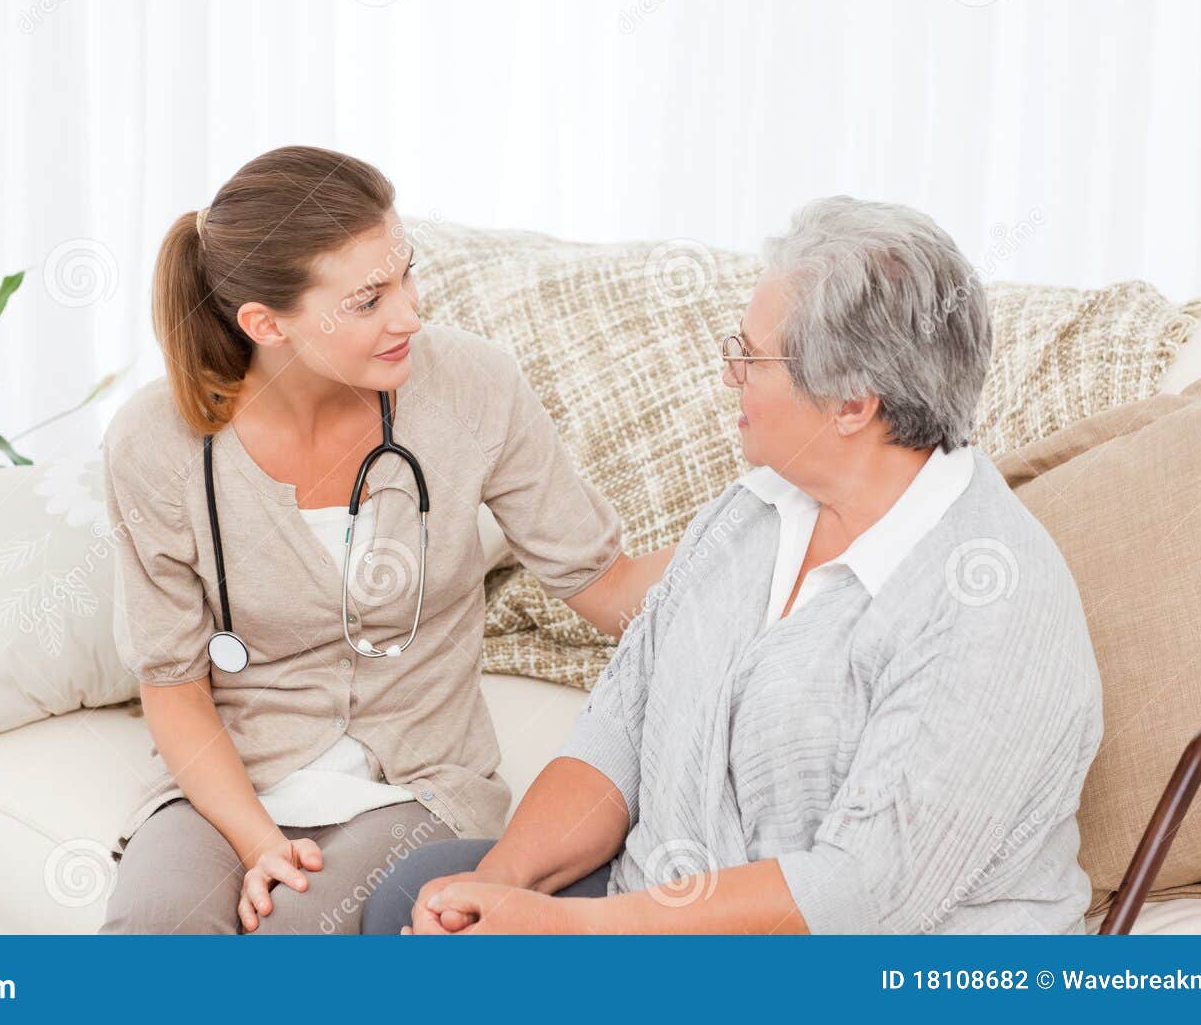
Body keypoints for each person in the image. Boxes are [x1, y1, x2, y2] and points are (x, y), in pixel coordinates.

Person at [363, 195, 1105, 935]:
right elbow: (617, 733)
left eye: (749, 356)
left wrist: (575, 933)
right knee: (421, 895)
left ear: (851, 403)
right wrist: (497, 887)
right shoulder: (748, 515)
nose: (731, 375)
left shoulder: (992, 602)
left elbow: (858, 895)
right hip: (666, 914)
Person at [96, 145, 672, 934]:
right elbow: (173, 683)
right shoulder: (155, 443)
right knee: (155, 932)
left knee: (298, 938)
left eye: (406, 273)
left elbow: (605, 583)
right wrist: (257, 839)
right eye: (369, 299)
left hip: (420, 783)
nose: (409, 313)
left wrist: (768, 535)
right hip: (234, 779)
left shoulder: (473, 386)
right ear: (265, 323)